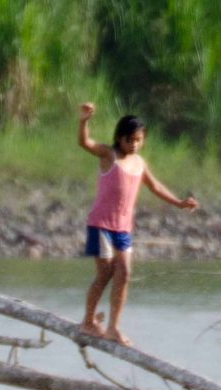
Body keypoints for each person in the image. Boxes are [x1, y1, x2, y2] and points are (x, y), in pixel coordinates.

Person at [77, 103, 199, 346]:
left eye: (139, 140)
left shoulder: (139, 164)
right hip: (101, 225)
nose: (134, 144)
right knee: (105, 273)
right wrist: (84, 121)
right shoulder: (108, 155)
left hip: (123, 229)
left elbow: (155, 187)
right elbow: (85, 143)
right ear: (120, 138)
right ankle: (88, 322)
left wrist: (179, 203)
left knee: (125, 272)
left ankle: (113, 327)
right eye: (130, 140)